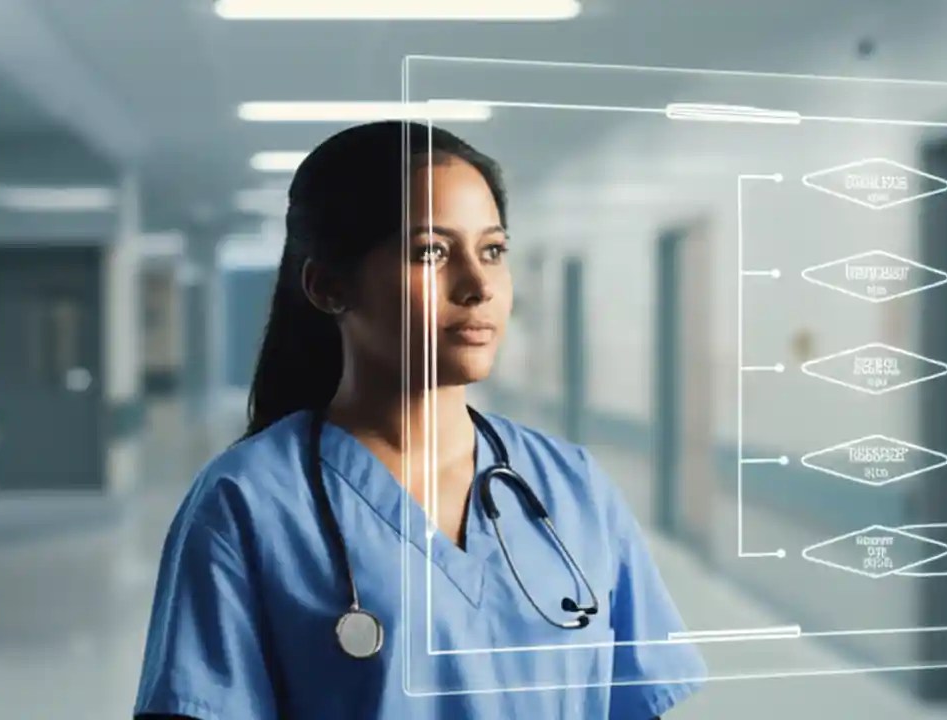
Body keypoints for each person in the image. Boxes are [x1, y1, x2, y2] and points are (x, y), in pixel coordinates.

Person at [133, 121, 703, 719]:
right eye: (430, 251)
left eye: (493, 251)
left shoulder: (572, 486)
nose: (478, 286)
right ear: (328, 286)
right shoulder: (248, 502)